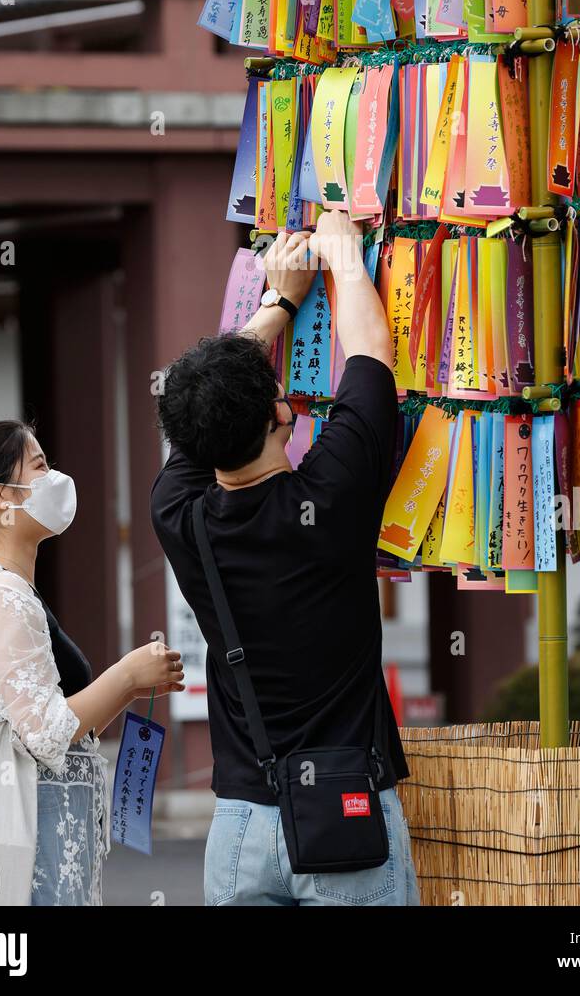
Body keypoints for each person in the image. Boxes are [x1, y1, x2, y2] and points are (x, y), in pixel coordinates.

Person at [152, 210, 420, 906]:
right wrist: (343, 256)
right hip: (347, 817)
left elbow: (203, 409)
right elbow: (370, 355)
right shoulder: (328, 497)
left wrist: (275, 303)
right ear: (282, 416)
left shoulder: (179, 515)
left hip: (239, 827)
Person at [0, 420, 185, 905]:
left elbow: (37, 720)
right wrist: (126, 675)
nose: (55, 477)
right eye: (40, 466)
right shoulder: (1, 594)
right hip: (30, 852)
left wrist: (127, 689)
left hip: (32, 840)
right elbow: (45, 731)